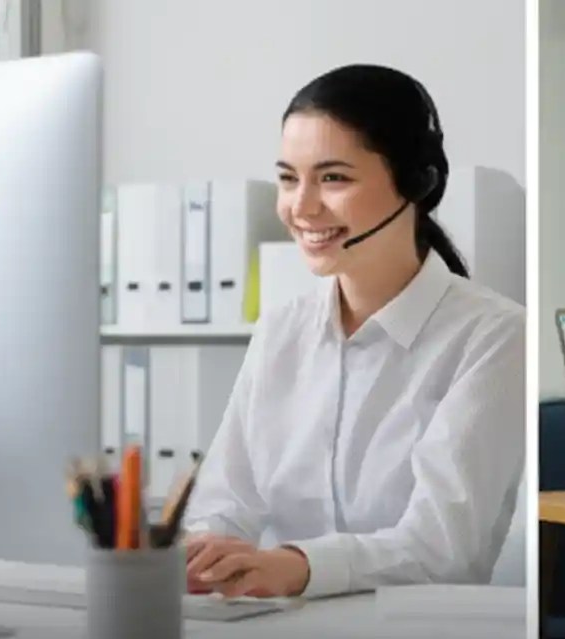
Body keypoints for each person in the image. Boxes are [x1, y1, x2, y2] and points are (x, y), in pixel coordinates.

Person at [180, 64, 524, 600]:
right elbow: (226, 501)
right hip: (275, 633)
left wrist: (298, 565)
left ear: (417, 182)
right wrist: (205, 550)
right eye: (289, 178)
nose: (301, 207)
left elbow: (442, 548)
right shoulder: (282, 329)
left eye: (333, 177)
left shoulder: (492, 337)